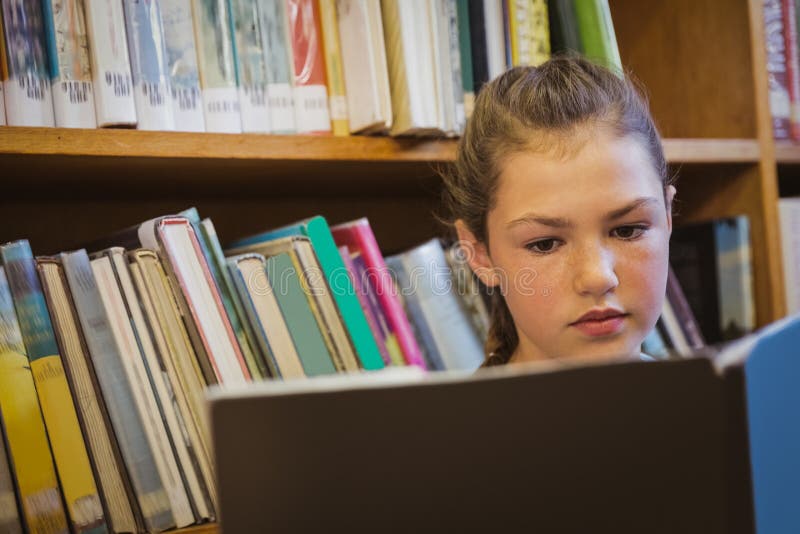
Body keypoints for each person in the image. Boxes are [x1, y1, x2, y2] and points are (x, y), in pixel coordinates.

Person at [442, 55, 675, 367]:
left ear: (668, 216)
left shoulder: (721, 409)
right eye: (545, 244)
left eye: (627, 230)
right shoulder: (459, 418)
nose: (597, 277)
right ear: (479, 253)